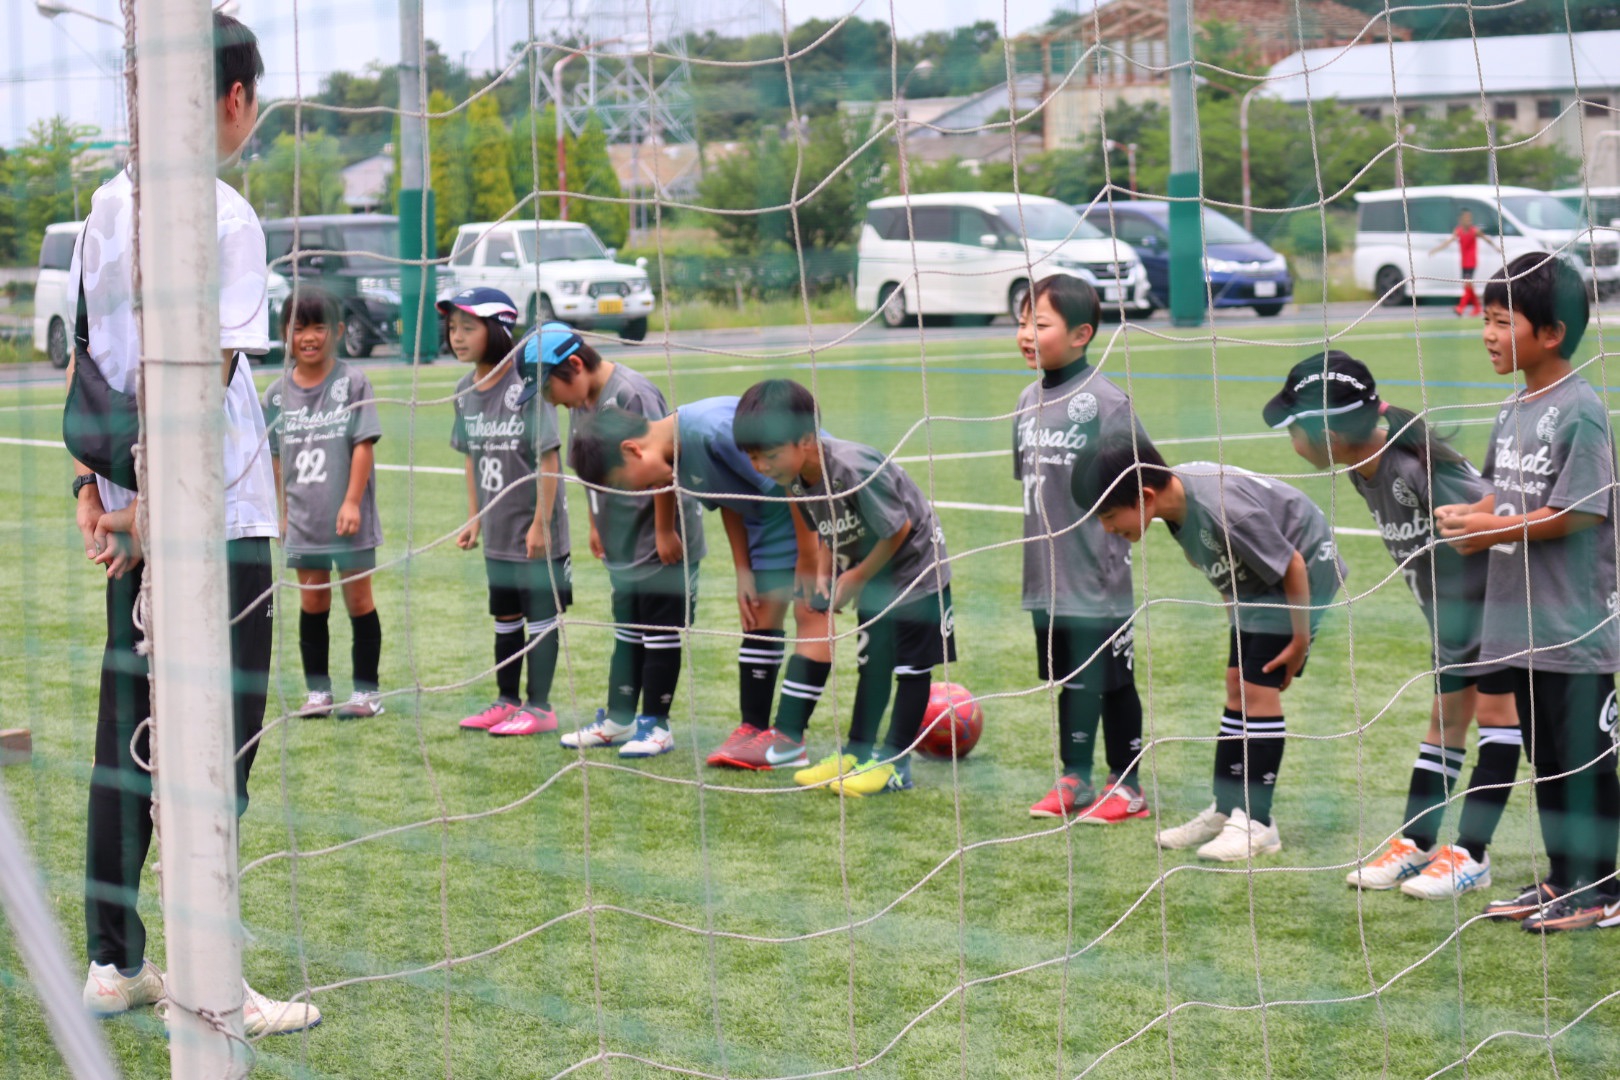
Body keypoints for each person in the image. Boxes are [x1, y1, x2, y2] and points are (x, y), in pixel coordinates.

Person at [69, 12, 319, 1034]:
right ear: (232, 99)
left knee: (126, 731)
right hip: (215, 517)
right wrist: (145, 501)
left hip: (138, 507)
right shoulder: (222, 214)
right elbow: (202, 371)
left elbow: (89, 362)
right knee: (219, 740)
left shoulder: (104, 201)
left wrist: (99, 492)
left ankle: (114, 961)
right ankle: (209, 975)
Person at [1265, 352, 1520, 899]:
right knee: (1445, 723)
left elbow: (1505, 518)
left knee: (1498, 722)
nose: (1292, 442)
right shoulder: (1364, 467)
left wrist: (1472, 529)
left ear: (1330, 431)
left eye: (1295, 429)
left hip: (1500, 611)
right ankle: (1418, 842)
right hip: (1450, 619)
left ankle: (1472, 855)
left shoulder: (1415, 467)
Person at [1435, 252, 1620, 932]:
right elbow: (1502, 492)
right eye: (1484, 318)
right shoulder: (1515, 406)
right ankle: (1565, 878)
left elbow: (1581, 510)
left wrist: (1488, 531)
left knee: (1584, 759)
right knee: (1547, 759)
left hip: (1574, 623)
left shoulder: (1581, 410)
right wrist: (1471, 512)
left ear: (1551, 332)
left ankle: (1605, 888)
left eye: (1500, 320)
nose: (1486, 333)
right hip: (1524, 621)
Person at [1077, 436, 1346, 860]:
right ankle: (1226, 810)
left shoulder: (1221, 510)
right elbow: (1227, 573)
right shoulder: (1175, 506)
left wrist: (1299, 639)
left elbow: (1292, 562)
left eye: (1110, 516)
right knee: (1236, 683)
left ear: (1145, 496)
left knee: (1259, 692)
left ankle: (1258, 824)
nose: (1107, 528)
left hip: (1301, 580)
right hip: (1257, 585)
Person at [567, 398, 832, 769]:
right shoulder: (679, 457)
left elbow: (794, 479)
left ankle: (790, 741)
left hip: (820, 503)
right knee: (758, 617)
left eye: (622, 483)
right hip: (768, 518)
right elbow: (730, 501)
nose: (631, 492)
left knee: (812, 613)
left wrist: (809, 558)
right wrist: (743, 570)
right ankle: (752, 730)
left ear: (632, 451)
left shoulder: (711, 432)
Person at [733, 379, 956, 797]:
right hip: (875, 573)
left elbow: (900, 529)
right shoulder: (796, 477)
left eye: (769, 455)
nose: (761, 466)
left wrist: (854, 576)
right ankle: (855, 753)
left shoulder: (852, 469)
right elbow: (824, 527)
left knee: (909, 669)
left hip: (916, 570)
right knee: (872, 666)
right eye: (752, 457)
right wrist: (824, 572)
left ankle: (895, 765)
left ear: (805, 439)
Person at [534, 323, 706, 758]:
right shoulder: (580, 400)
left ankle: (657, 725)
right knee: (626, 629)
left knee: (660, 632)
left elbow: (666, 461)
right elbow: (592, 471)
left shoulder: (633, 393)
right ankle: (619, 718)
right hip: (622, 539)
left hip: (659, 537)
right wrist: (597, 524)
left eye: (549, 390)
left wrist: (666, 531)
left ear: (574, 366)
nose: (550, 401)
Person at [1013, 274, 1148, 822]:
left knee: (1113, 681)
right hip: (1045, 574)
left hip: (1097, 575)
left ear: (1081, 334)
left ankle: (1128, 784)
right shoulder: (1025, 399)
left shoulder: (1107, 402)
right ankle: (1076, 776)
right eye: (1022, 322)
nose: (1025, 334)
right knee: (1069, 678)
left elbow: (1145, 482)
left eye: (1039, 324)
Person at [442, 290, 572, 738]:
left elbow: (548, 459)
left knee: (539, 617)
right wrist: (474, 518)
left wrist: (541, 524)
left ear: (498, 330)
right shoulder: (463, 391)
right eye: (453, 328)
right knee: (505, 617)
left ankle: (540, 707)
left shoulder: (526, 386)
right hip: (497, 531)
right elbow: (471, 458)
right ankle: (507, 700)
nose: (457, 337)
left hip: (534, 530)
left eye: (468, 328)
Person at [261, 287, 385, 720]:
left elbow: (363, 446)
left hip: (349, 520)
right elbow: (276, 461)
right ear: (284, 334)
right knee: (312, 603)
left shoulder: (352, 382)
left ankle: (366, 693)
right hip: (305, 520)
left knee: (358, 601)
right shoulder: (276, 396)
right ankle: (319, 694)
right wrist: (282, 512)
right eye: (298, 328)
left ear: (337, 331)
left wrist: (352, 502)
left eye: (318, 327)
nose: (308, 337)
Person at [1429, 208, 1501, 318]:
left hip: (1471, 262)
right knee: (1468, 286)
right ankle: (1477, 307)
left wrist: (1497, 248)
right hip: (1463, 263)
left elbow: (1487, 239)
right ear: (1461, 219)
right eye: (1465, 218)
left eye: (1469, 218)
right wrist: (1436, 249)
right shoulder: (1458, 231)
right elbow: (1448, 242)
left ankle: (1460, 307)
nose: (1468, 220)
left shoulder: (1474, 230)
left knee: (1467, 285)